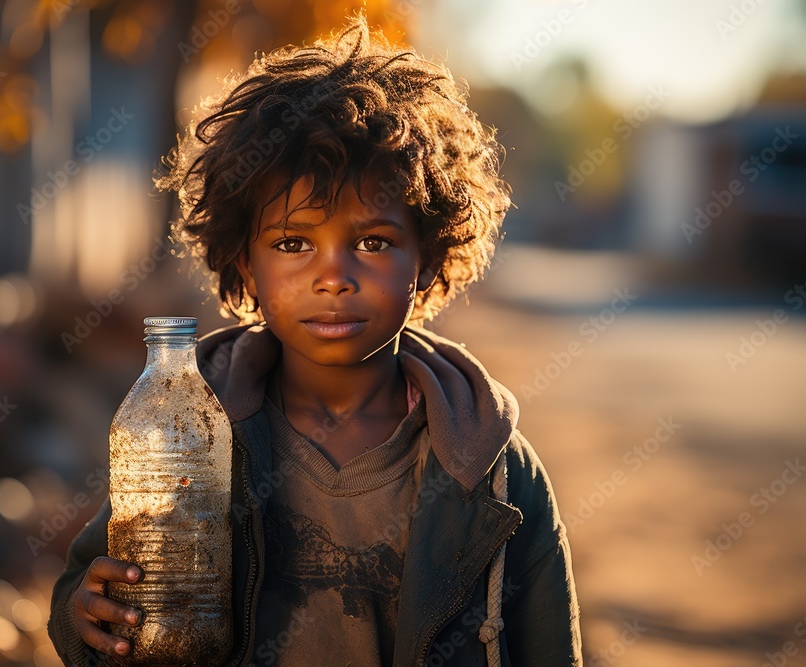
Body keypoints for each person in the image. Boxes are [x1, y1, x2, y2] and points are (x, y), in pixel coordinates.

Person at [48, 13, 582, 667]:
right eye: (294, 242)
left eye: (374, 242)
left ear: (430, 258)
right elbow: (91, 597)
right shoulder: (189, 431)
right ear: (244, 264)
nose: (334, 277)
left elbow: (547, 647)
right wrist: (88, 619)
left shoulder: (492, 463)